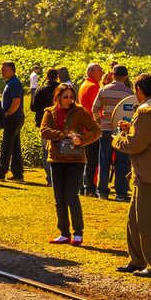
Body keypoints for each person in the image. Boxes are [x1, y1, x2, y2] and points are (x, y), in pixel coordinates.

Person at [111, 74, 151, 279]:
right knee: (134, 220)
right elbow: (149, 136)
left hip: (147, 172)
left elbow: (135, 144)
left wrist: (118, 139)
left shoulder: (146, 112)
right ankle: (137, 260)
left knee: (147, 222)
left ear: (139, 90)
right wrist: (130, 129)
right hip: (150, 170)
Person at [38, 83, 100, 245]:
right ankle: (64, 232)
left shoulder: (80, 112)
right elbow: (43, 130)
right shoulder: (50, 112)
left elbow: (96, 131)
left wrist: (82, 140)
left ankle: (78, 232)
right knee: (59, 198)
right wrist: (63, 135)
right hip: (56, 159)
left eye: (71, 97)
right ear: (58, 97)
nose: (69, 100)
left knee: (71, 195)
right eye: (65, 97)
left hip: (75, 160)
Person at [92, 65, 134, 201]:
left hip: (105, 129)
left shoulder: (104, 90)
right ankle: (121, 192)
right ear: (126, 77)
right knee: (122, 161)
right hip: (121, 131)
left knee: (104, 159)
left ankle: (102, 191)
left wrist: (99, 122)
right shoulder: (129, 93)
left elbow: (94, 108)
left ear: (112, 75)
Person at [0, 61, 24, 181]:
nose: (1, 71)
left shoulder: (14, 84)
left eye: (4, 69)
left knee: (6, 146)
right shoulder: (11, 83)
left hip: (13, 119)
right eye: (1, 69)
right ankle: (18, 174)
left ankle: (0, 173)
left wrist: (7, 114)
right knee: (14, 147)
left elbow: (16, 102)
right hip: (15, 118)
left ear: (12, 70)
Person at [30, 69, 60, 186]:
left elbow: (33, 107)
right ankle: (58, 177)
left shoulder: (40, 90)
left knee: (46, 151)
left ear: (47, 77)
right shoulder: (61, 89)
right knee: (59, 151)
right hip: (59, 123)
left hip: (44, 123)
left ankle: (50, 178)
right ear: (57, 77)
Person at [78, 63, 103, 196]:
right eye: (100, 71)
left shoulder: (84, 85)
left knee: (86, 159)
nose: (102, 73)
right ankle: (90, 188)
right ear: (91, 72)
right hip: (92, 128)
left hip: (83, 127)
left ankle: (82, 186)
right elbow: (97, 109)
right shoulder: (94, 87)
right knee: (93, 160)